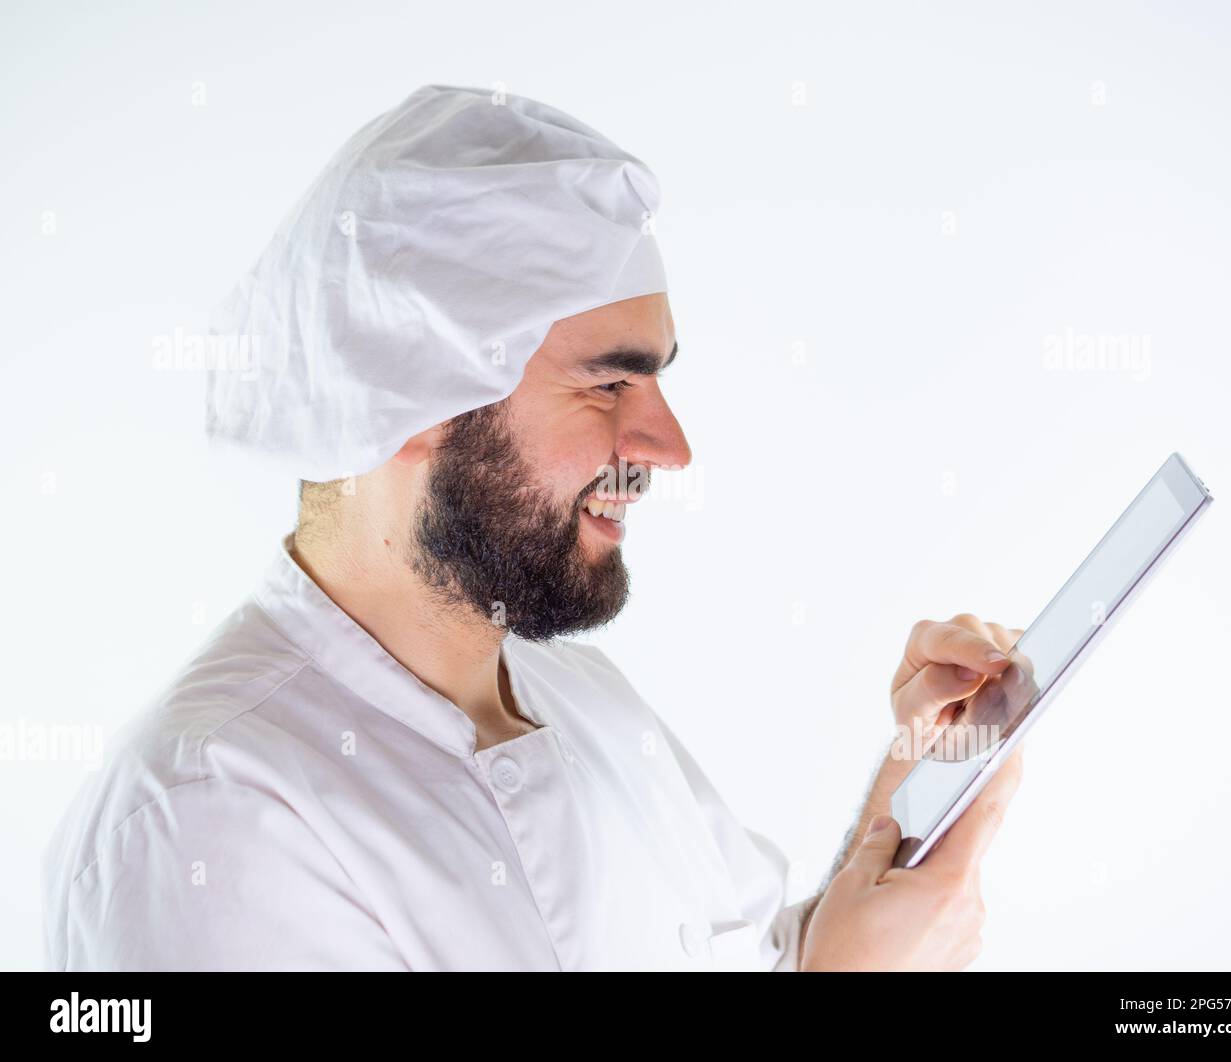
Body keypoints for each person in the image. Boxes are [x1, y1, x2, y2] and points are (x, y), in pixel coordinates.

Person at [42, 85, 1024, 971]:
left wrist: (893, 830)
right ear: (415, 394)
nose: (668, 446)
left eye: (655, 379)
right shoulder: (208, 820)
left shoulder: (582, 702)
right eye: (608, 382)